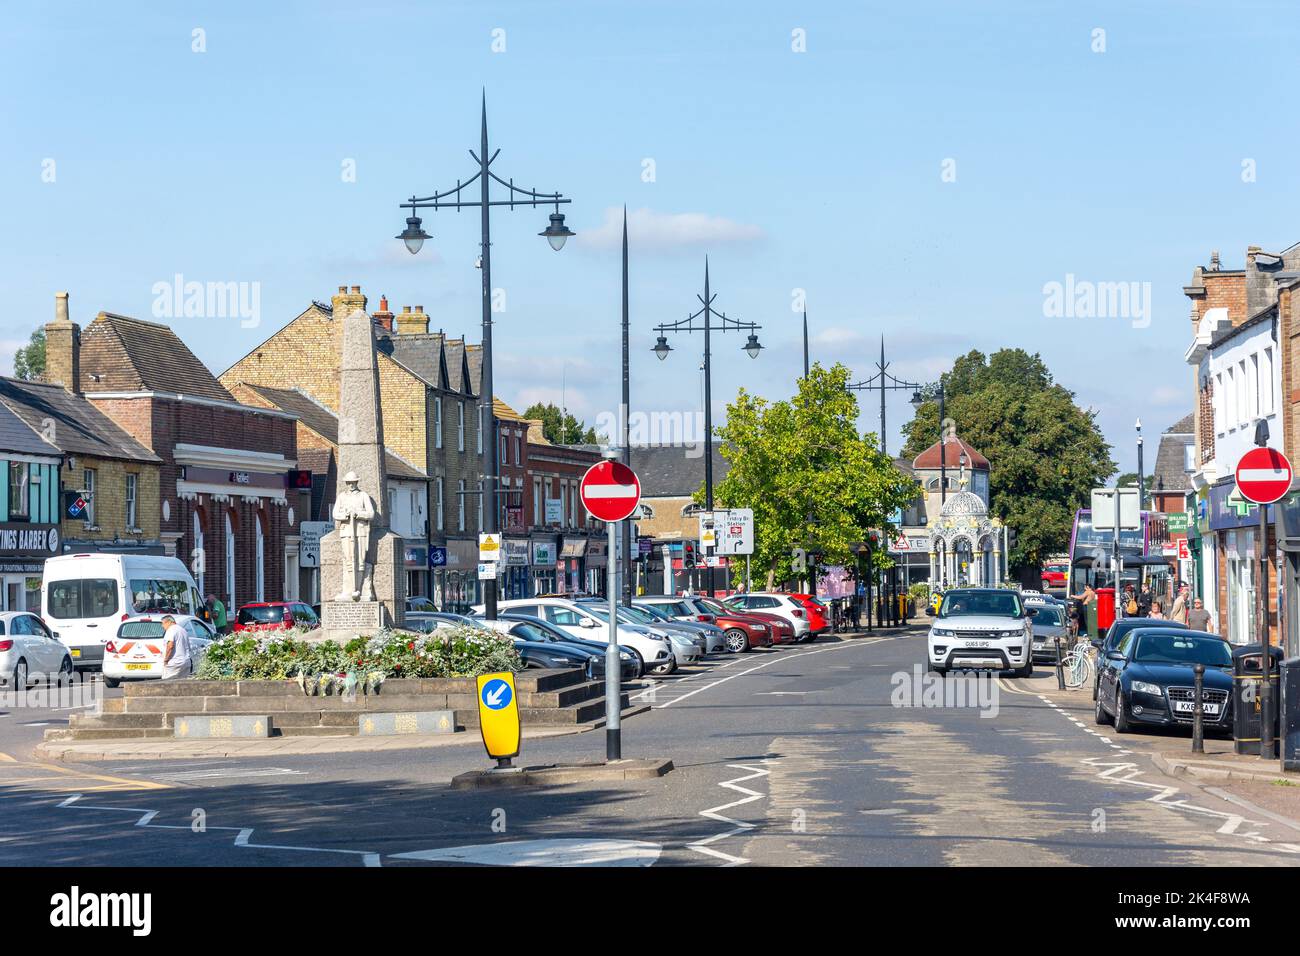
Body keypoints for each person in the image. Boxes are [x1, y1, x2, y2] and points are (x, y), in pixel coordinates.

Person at [160, 615, 193, 680]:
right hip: (185, 661)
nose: (162, 626)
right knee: (183, 684)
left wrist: (166, 660)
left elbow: (170, 646)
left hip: (174, 663)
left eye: (163, 623)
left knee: (166, 683)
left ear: (169, 622)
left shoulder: (171, 630)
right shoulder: (182, 630)